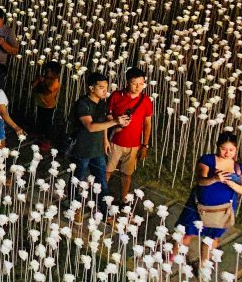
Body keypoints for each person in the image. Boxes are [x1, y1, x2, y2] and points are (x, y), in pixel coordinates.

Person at [173, 132, 242, 265]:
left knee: (211, 240)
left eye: (231, 150)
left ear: (236, 149)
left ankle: (204, 267)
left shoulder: (238, 169)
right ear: (217, 147)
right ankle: (170, 261)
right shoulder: (207, 160)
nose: (227, 153)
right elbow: (200, 181)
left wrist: (232, 184)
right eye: (223, 149)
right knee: (186, 234)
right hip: (198, 207)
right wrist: (215, 178)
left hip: (222, 212)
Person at [67, 72, 129, 207]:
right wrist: (115, 122)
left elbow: (104, 121)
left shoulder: (102, 103)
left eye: (106, 87)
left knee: (101, 180)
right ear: (91, 88)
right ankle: (73, 204)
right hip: (82, 148)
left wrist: (107, 138)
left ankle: (104, 208)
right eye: (101, 87)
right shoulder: (82, 104)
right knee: (77, 178)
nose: (105, 91)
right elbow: (91, 126)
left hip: (97, 149)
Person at [105, 67, 154, 203]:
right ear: (127, 82)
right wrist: (115, 124)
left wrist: (145, 145)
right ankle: (100, 193)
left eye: (141, 83)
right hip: (115, 141)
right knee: (107, 170)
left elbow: (147, 124)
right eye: (134, 83)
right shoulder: (116, 96)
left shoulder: (146, 101)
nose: (138, 87)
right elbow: (107, 115)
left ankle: (123, 199)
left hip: (134, 144)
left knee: (127, 174)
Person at [30, 61, 62, 150]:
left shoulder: (55, 82)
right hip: (40, 104)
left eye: (48, 71)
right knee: (40, 119)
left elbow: (47, 92)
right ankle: (39, 133)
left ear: (54, 73)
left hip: (48, 106)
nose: (46, 72)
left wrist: (42, 82)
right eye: (46, 70)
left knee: (47, 124)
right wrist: (38, 80)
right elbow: (33, 85)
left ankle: (47, 141)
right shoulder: (44, 78)